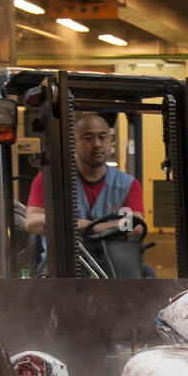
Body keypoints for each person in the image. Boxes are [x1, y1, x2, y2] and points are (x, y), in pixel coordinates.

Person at [24, 113, 146, 268]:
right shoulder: (49, 180)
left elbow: (135, 225)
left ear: (110, 141)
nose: (97, 144)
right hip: (62, 267)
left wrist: (95, 228)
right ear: (74, 143)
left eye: (102, 137)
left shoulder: (128, 184)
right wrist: (67, 224)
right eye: (88, 138)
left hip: (112, 267)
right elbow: (31, 222)